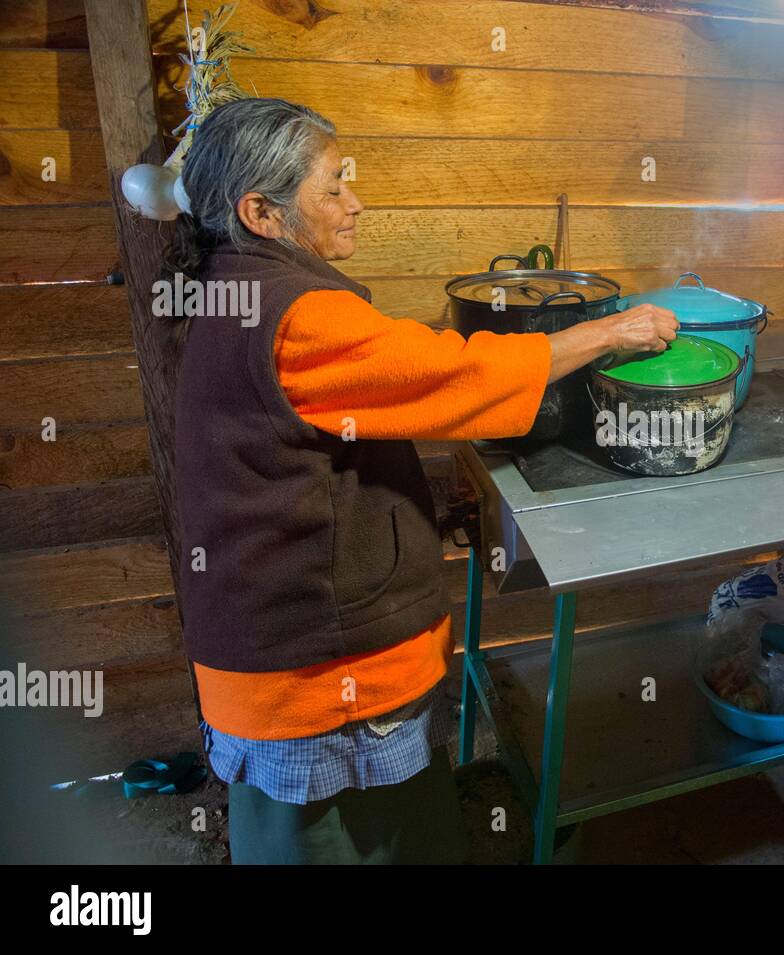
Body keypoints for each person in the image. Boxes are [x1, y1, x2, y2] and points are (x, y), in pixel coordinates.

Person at [165, 97, 678, 863]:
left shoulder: (232, 288)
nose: (355, 201)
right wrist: (609, 330)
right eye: (333, 185)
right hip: (317, 671)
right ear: (262, 213)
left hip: (268, 645)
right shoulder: (297, 318)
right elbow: (453, 373)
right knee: (361, 839)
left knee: (329, 831)